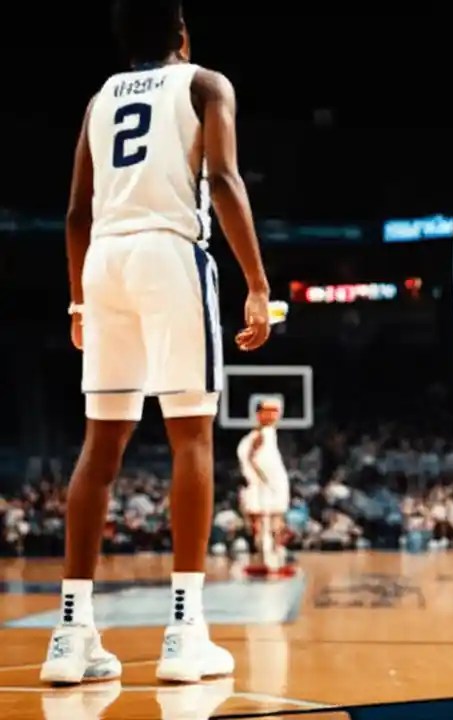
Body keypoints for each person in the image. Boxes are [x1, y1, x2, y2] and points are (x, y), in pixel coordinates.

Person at [41, 0, 271, 685]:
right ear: (183, 36)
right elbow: (225, 181)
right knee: (191, 437)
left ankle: (71, 635)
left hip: (104, 259)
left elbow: (76, 211)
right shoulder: (205, 84)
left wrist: (79, 299)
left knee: (100, 444)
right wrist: (257, 283)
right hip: (169, 251)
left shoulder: (99, 98)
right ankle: (185, 631)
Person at [237, 398, 291, 570]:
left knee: (275, 520)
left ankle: (274, 555)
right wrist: (261, 477)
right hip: (264, 484)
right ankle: (265, 557)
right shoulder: (260, 435)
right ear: (260, 414)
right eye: (269, 410)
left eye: (275, 410)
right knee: (261, 522)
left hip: (273, 483)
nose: (274, 414)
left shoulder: (269, 434)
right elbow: (252, 457)